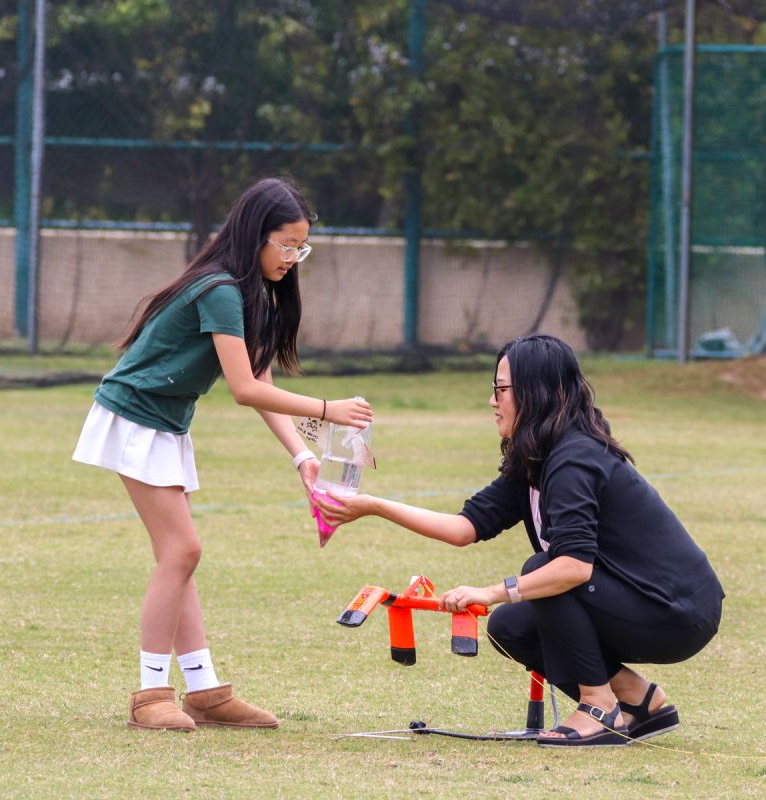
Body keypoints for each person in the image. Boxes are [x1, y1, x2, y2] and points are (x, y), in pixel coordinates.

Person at [317, 334, 723, 747]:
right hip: (644, 603)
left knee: (542, 570)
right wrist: (373, 506)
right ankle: (640, 701)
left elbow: (574, 567)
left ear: (536, 392)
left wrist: (493, 590)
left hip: (676, 612)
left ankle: (598, 707)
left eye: (501, 389)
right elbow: (463, 528)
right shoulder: (536, 460)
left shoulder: (574, 458)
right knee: (511, 628)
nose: (493, 401)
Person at [73, 178, 373, 732]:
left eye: (300, 247)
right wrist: (328, 408)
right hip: (134, 419)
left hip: (163, 424)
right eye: (286, 244)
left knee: (180, 555)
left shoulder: (246, 290)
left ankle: (205, 692)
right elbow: (244, 389)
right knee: (181, 551)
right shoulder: (220, 289)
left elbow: (257, 374)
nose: (293, 258)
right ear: (256, 236)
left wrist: (301, 456)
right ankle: (150, 694)